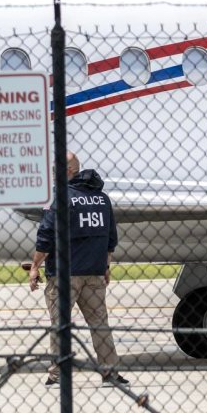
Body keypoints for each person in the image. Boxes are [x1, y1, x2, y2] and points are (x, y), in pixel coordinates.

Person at [29, 152, 127, 386]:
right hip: (93, 273)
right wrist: (105, 265)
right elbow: (110, 238)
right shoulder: (101, 199)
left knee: (60, 326)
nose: (53, 176)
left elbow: (46, 236)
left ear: (69, 171)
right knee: (100, 325)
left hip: (65, 275)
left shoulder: (61, 198)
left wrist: (34, 267)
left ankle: (58, 374)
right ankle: (110, 373)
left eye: (56, 171)